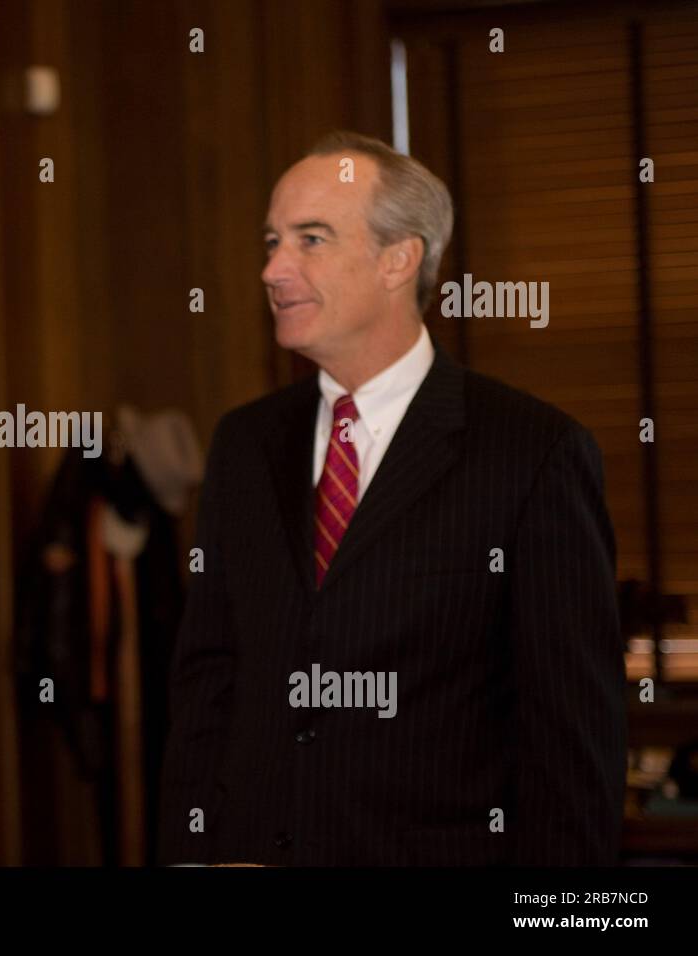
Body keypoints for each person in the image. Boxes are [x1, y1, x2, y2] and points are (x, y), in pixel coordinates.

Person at [157, 131, 626, 866]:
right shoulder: (245, 445)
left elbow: (570, 740)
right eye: (273, 241)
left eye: (311, 240)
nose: (274, 269)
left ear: (398, 259)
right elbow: (207, 685)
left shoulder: (531, 453)